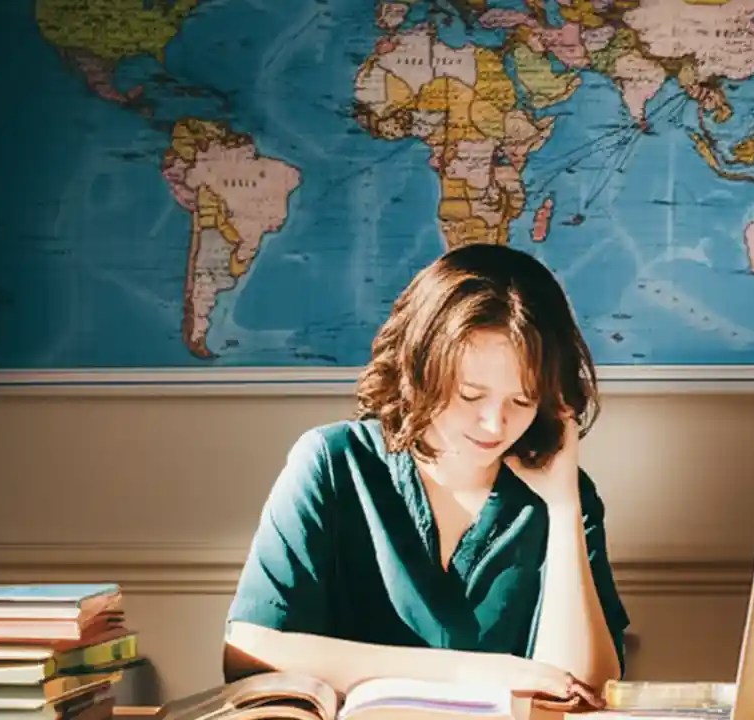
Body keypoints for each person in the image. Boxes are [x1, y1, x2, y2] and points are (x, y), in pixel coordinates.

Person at [223, 244, 629, 706]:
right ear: (420, 371)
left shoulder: (558, 496)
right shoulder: (334, 463)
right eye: (471, 396)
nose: (495, 425)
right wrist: (476, 672)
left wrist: (562, 506)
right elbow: (251, 652)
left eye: (521, 401)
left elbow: (581, 691)